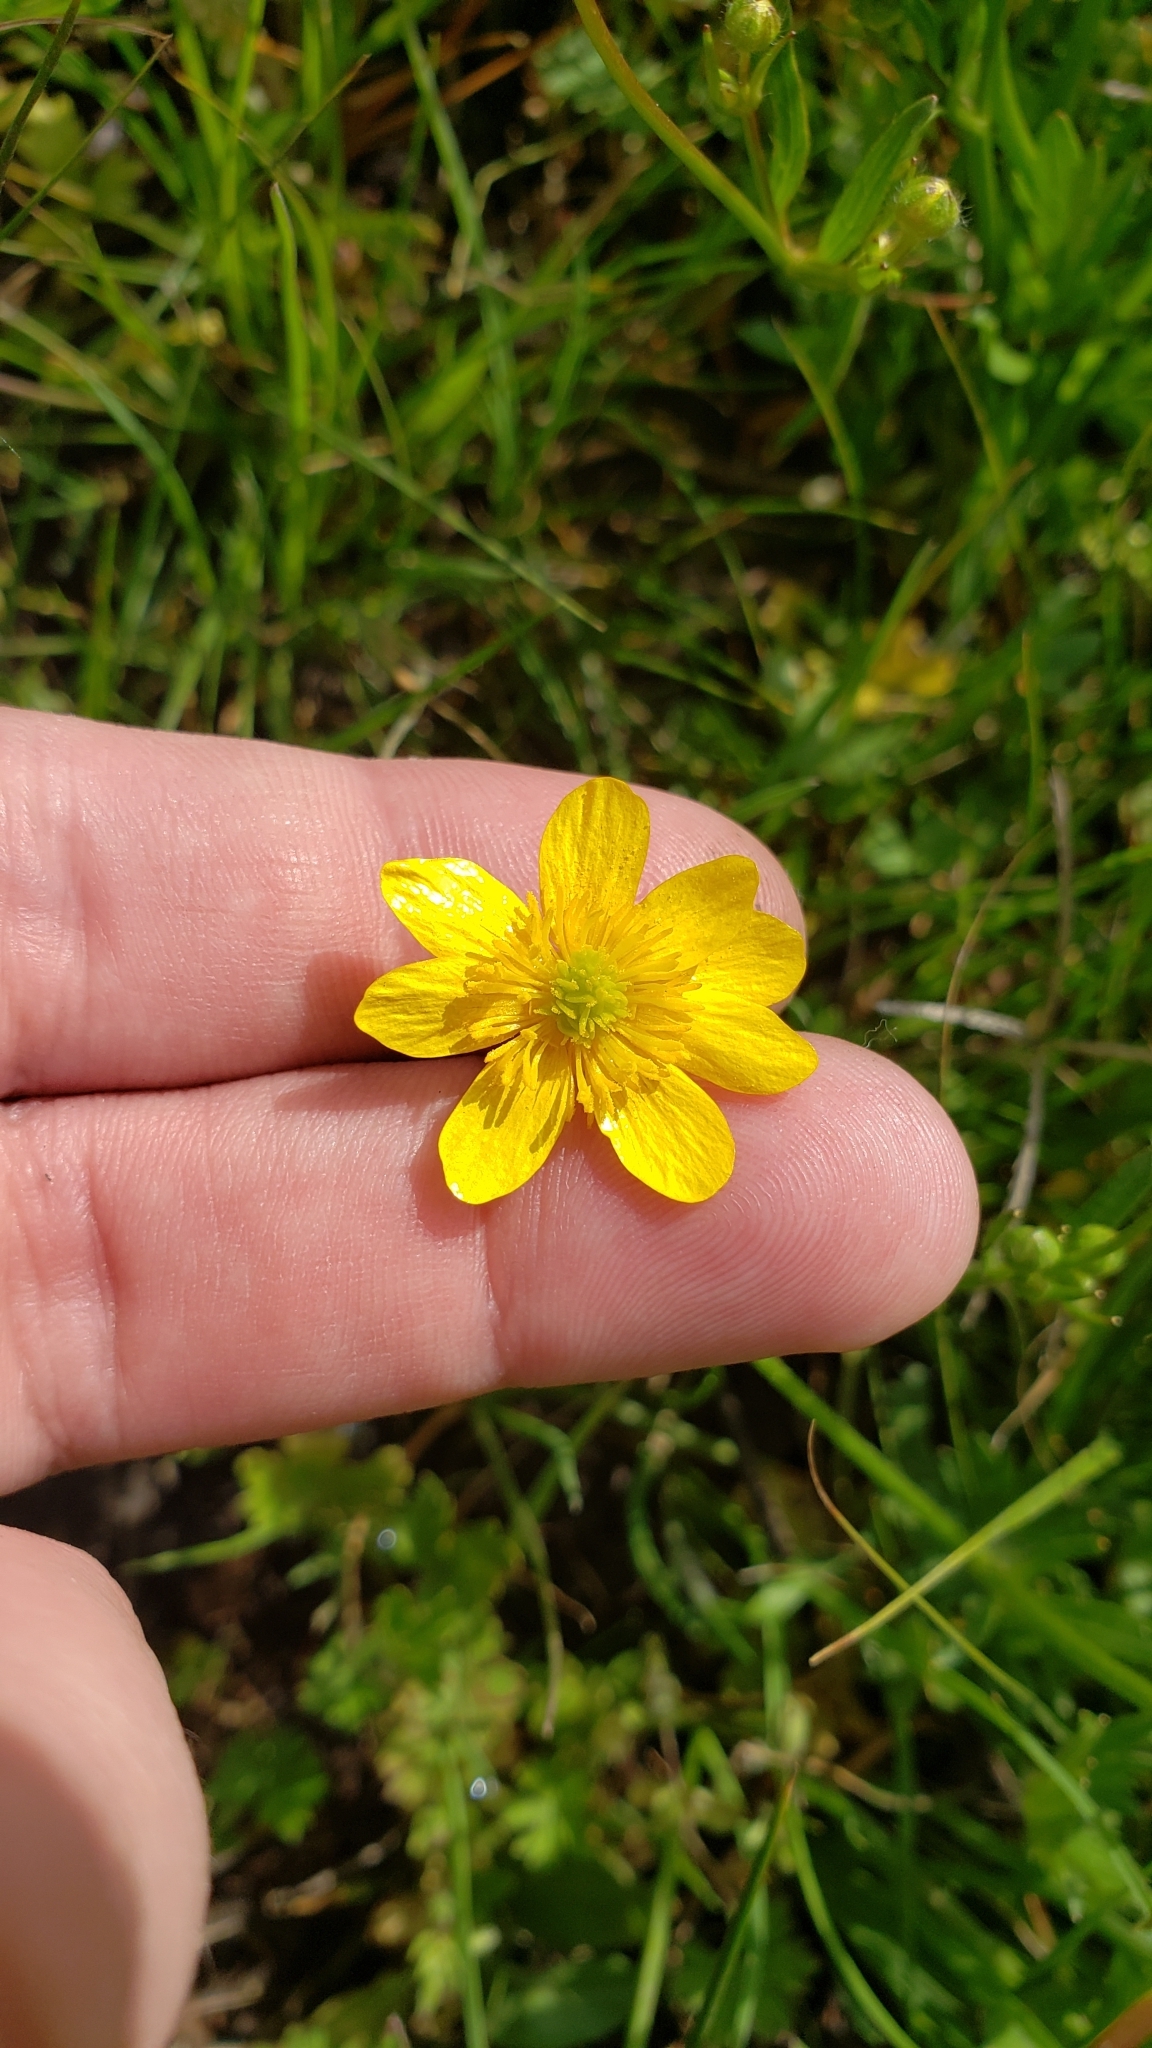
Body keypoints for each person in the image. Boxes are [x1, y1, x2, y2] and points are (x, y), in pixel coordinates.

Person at [0, 706, 978, 2048]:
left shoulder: (657, 1030)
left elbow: (739, 1064)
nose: (582, 988)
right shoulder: (477, 953)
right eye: (578, 975)